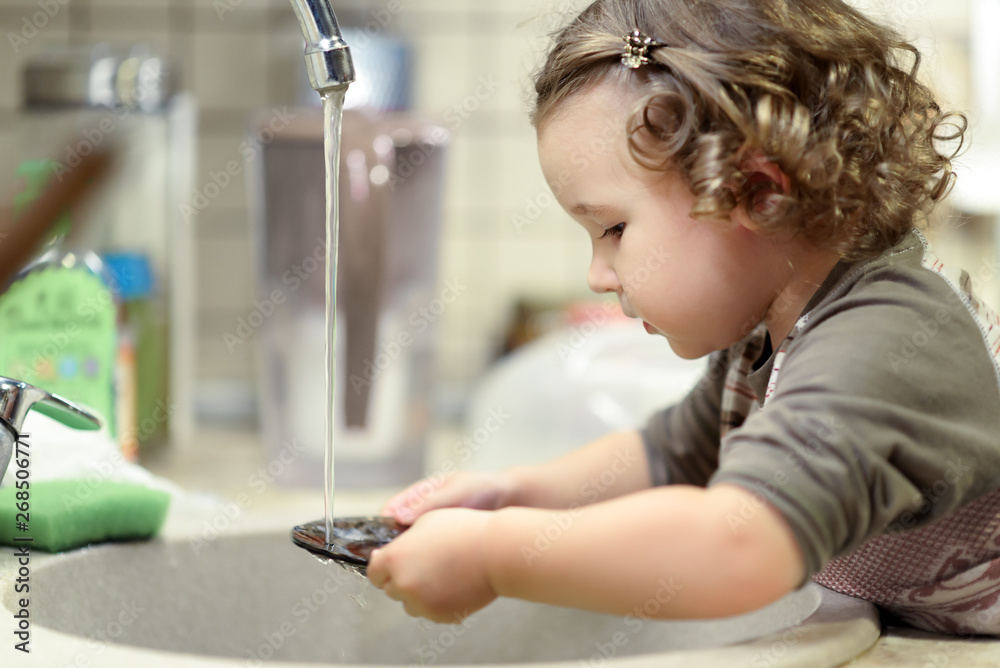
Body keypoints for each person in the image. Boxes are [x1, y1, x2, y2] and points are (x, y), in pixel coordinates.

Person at [367, 0, 1000, 635]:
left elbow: (737, 546)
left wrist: (494, 555)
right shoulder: (771, 332)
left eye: (613, 228)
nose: (598, 275)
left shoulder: (885, 339)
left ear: (755, 190)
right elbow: (670, 457)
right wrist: (509, 494)